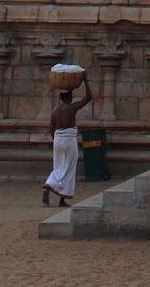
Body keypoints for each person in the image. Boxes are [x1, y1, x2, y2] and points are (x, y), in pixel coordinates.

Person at [42, 71, 93, 207]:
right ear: (70, 98)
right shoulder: (72, 108)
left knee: (58, 166)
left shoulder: (55, 111)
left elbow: (51, 128)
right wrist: (85, 81)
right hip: (69, 139)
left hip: (58, 139)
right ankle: (61, 198)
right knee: (69, 168)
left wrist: (55, 141)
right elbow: (89, 97)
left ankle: (49, 185)